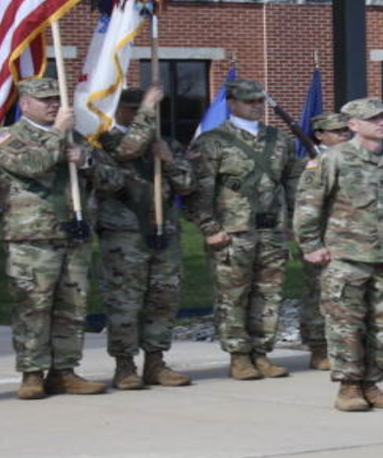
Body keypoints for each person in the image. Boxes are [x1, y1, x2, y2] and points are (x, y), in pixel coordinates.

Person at [1, 77, 124, 400]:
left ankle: (64, 371)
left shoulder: (76, 138)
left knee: (73, 307)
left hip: (74, 234)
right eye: (45, 100)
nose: (54, 104)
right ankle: (32, 373)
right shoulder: (9, 137)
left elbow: (113, 181)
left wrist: (86, 161)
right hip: (32, 238)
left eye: (57, 99)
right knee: (34, 305)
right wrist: (57, 134)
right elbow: (31, 165)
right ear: (25, 104)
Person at [293, 98, 383, 412]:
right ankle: (349, 387)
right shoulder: (333, 159)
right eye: (373, 119)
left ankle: (372, 384)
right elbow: (308, 205)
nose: (382, 123)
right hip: (346, 255)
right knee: (346, 324)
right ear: (352, 125)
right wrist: (311, 245)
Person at [185, 78, 305, 381]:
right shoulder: (213, 141)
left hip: (272, 228)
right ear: (232, 103)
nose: (255, 107)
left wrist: (293, 221)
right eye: (248, 101)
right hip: (232, 230)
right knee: (232, 295)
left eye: (258, 101)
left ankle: (262, 352)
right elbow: (200, 190)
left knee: (269, 293)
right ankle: (239, 356)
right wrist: (209, 227)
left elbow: (292, 183)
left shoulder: (279, 139)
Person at [96, 86, 197, 390]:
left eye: (141, 109)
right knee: (124, 303)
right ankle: (124, 365)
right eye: (132, 109)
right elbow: (128, 150)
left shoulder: (165, 144)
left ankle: (156, 362)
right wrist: (147, 111)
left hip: (163, 232)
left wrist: (168, 160)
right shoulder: (104, 141)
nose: (138, 114)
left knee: (163, 299)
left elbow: (188, 185)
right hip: (124, 234)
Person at [295, 112, 353, 371]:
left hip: (351, 238)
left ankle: (347, 346)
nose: (344, 135)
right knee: (318, 294)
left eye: (345, 130)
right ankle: (318, 347)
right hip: (321, 239)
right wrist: (309, 242)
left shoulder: (353, 158)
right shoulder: (310, 163)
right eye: (337, 131)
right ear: (319, 134)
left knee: (349, 295)